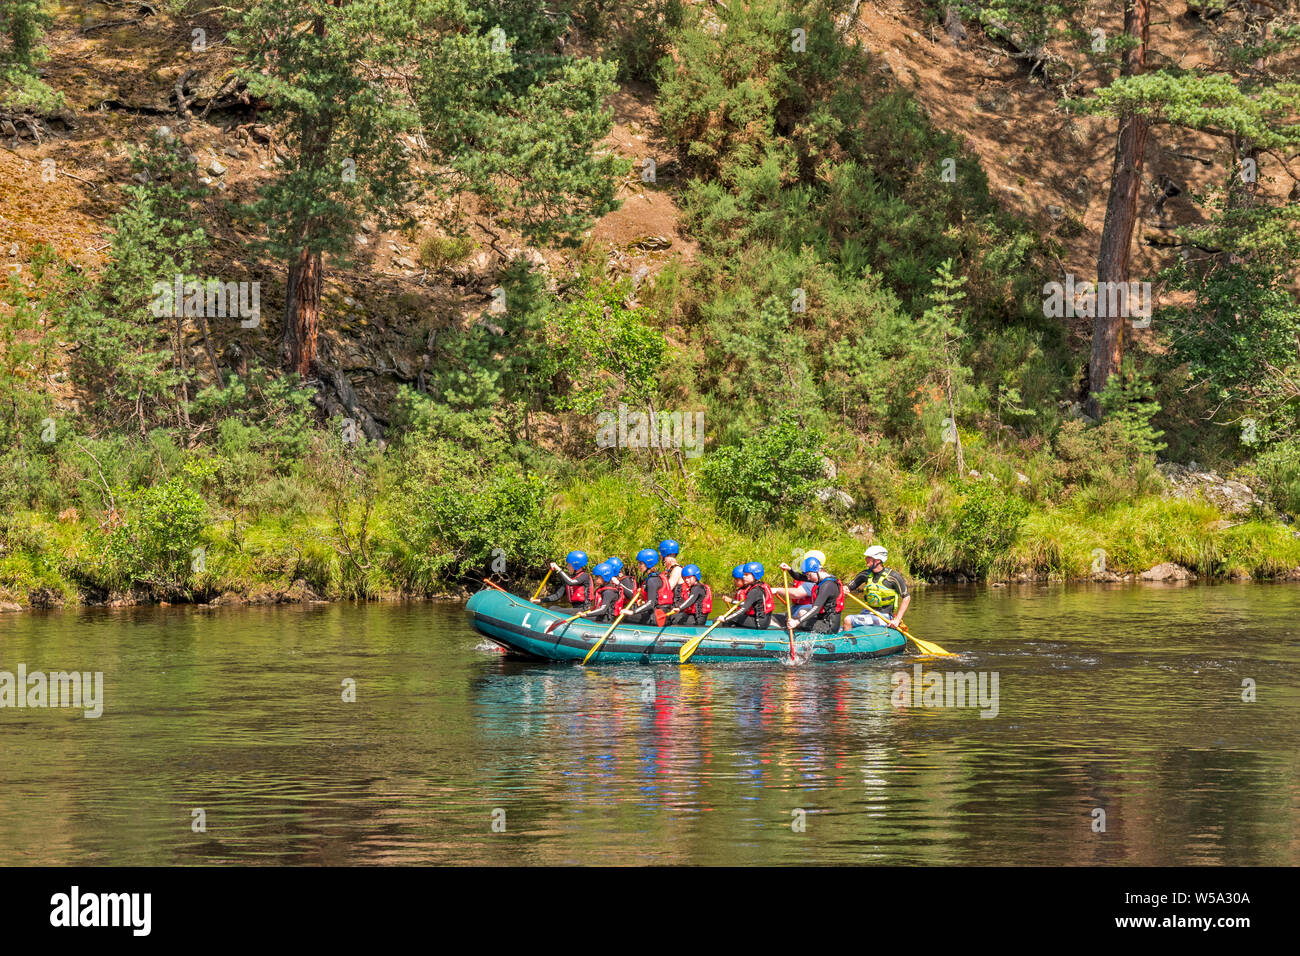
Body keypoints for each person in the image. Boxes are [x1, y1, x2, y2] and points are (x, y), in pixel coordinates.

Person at [842, 545, 911, 630]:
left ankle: (847, 642)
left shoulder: (893, 577)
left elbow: (906, 597)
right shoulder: (865, 574)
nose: (865, 559)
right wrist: (845, 588)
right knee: (842, 626)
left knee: (848, 619)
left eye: (869, 557)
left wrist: (897, 620)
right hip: (866, 613)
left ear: (878, 560)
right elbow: (848, 587)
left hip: (884, 616)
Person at [773, 555, 843, 633]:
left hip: (828, 626)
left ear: (817, 570)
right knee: (793, 618)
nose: (808, 578)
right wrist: (789, 569)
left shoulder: (827, 585)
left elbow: (815, 609)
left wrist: (797, 622)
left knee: (797, 622)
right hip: (821, 620)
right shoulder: (819, 578)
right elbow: (799, 577)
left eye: (809, 575)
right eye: (807, 575)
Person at [624, 547, 675, 626]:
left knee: (626, 617)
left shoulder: (652, 580)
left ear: (648, 563)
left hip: (658, 617)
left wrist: (633, 612)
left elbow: (650, 604)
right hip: (659, 614)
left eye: (641, 563)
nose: (639, 566)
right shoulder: (655, 577)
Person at [718, 561, 774, 628]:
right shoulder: (758, 586)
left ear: (755, 575)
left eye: (746, 575)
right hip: (762, 621)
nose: (744, 577)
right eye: (744, 574)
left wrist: (725, 618)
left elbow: (743, 609)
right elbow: (746, 604)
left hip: (758, 623)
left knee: (726, 619)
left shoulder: (755, 591)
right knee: (732, 619)